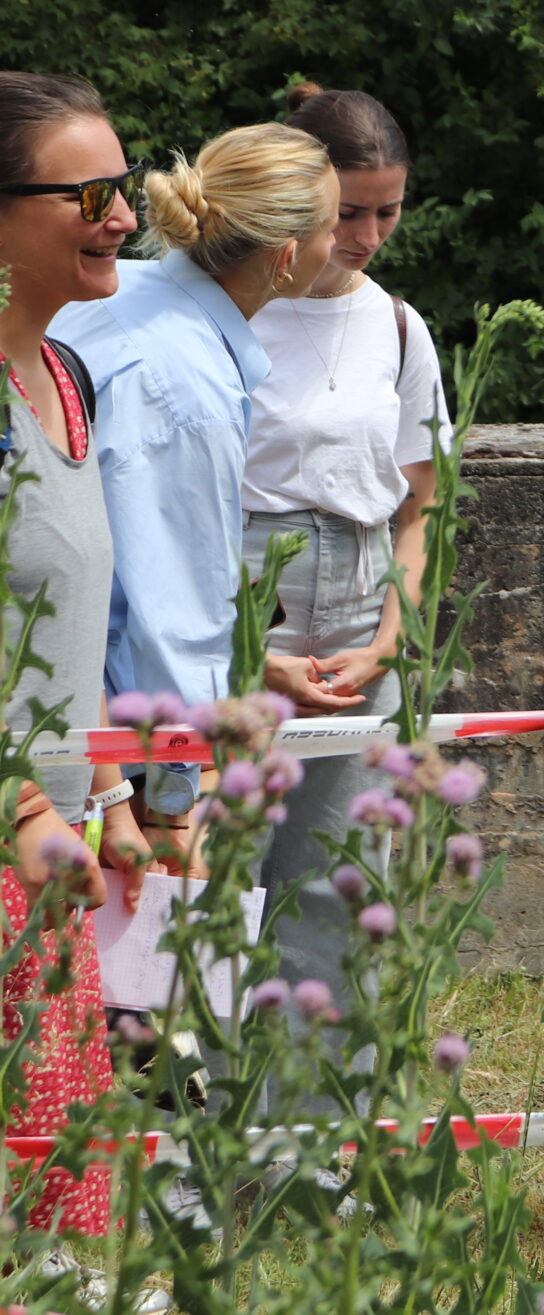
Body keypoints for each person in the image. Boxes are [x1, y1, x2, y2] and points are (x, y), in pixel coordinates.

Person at [55, 122, 342, 860]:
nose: (338, 243)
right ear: (285, 256)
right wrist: (173, 797)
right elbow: (165, 606)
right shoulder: (190, 390)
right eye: (332, 225)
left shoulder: (124, 295)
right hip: (120, 765)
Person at [237, 82, 449, 1005]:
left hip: (365, 613)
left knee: (338, 876)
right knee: (218, 871)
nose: (366, 234)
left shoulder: (401, 327)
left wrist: (391, 638)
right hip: (247, 601)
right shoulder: (232, 310)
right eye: (346, 212)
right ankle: (202, 1121)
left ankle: (312, 1136)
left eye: (387, 210)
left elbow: (422, 507)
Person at [0, 73, 159, 1244]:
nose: (123, 218)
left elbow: (70, 625)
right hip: (12, 839)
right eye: (90, 193)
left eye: (125, 188)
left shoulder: (68, 378)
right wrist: (18, 807)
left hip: (44, 854)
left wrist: (106, 790)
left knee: (61, 1206)